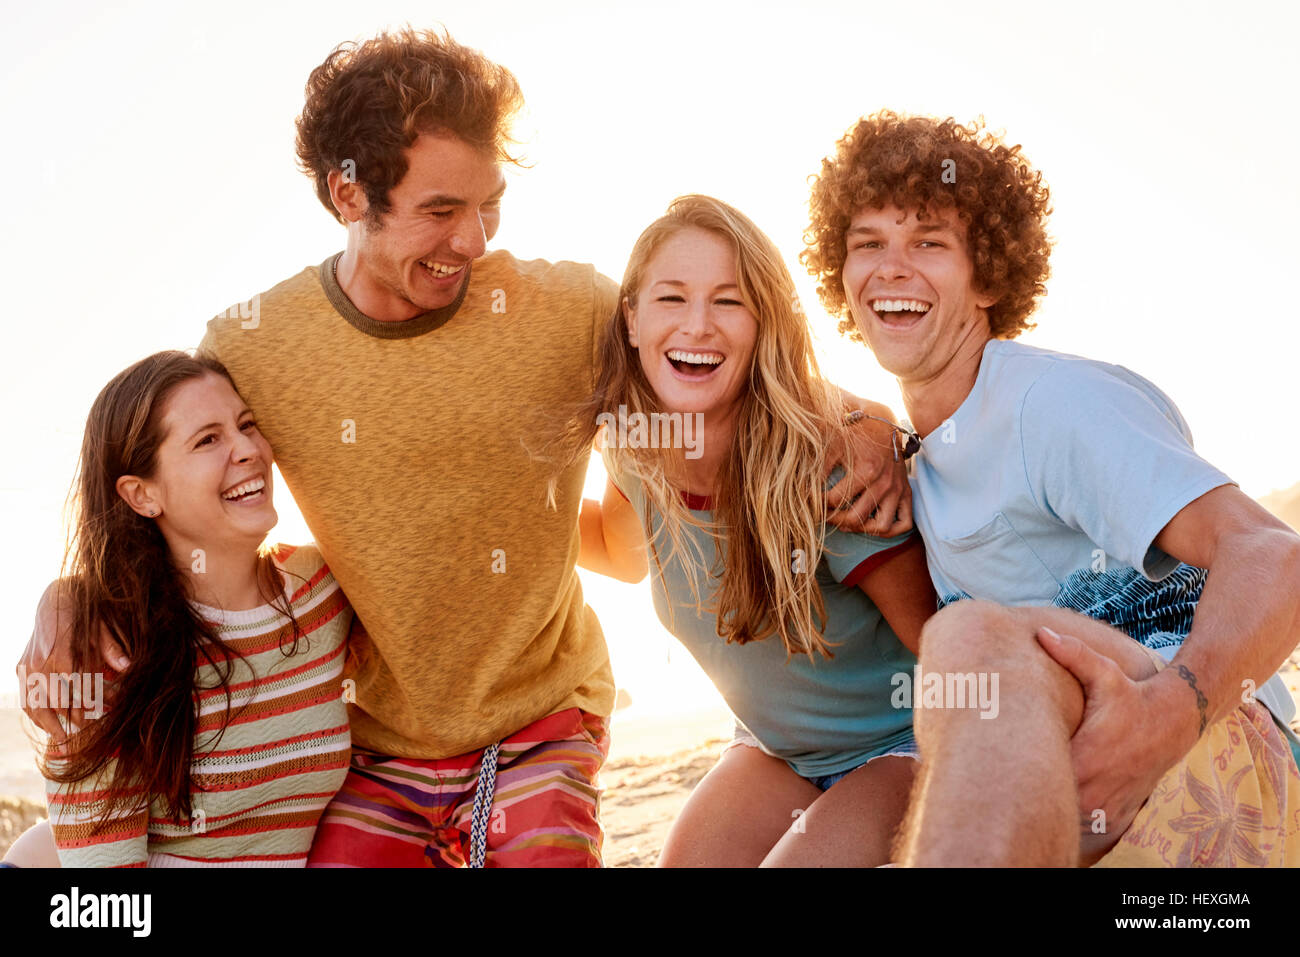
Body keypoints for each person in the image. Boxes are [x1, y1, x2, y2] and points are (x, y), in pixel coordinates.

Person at [17, 29, 910, 868]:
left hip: (545, 715)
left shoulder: (569, 310)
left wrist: (861, 418)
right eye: (441, 210)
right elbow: (168, 469)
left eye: (489, 206)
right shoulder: (252, 345)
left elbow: (712, 350)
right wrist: (70, 595)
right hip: (387, 740)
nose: (475, 241)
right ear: (348, 194)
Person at [802, 109, 1300, 866]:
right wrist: (866, 423)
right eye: (868, 244)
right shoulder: (919, 453)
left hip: (1215, 759)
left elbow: (1272, 552)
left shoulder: (1049, 402)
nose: (892, 267)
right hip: (1071, 769)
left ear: (988, 277)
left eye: (929, 242)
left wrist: (1171, 711)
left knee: (970, 641)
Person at [565, 195, 937, 866]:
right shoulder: (634, 450)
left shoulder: (833, 465)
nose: (698, 325)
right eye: (671, 298)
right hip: (776, 749)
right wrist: (501, 512)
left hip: (901, 740)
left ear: (763, 322)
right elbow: (621, 556)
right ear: (631, 319)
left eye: (729, 302)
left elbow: (941, 645)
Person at [9, 351, 351, 867]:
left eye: (247, 424)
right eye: (207, 440)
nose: (247, 450)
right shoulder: (101, 654)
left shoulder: (325, 590)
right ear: (142, 494)